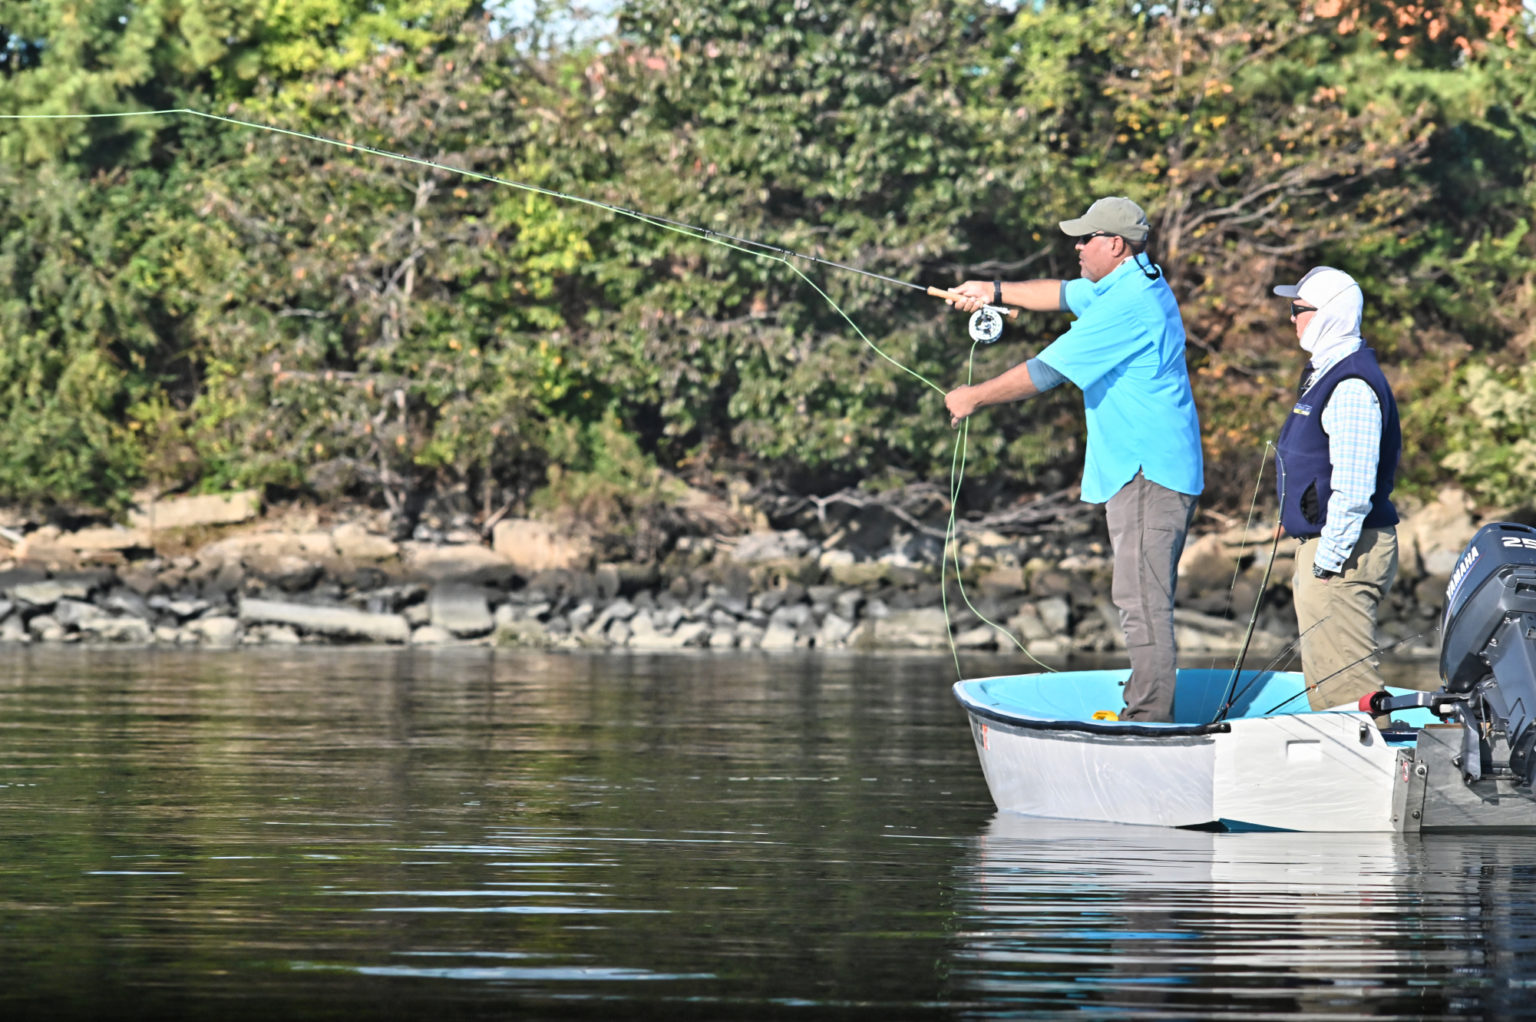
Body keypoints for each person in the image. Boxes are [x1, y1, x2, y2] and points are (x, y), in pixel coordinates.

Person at [944, 196, 1203, 722]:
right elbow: (1061, 294)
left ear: (1114, 244)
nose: (1077, 247)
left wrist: (972, 397)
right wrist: (991, 290)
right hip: (1148, 467)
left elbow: (1046, 371)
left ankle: (1148, 719)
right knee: (1139, 597)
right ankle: (1148, 705)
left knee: (1141, 602)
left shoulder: (1129, 306)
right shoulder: (1133, 280)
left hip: (1147, 472)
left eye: (1085, 239)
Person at [1271, 267, 1401, 722]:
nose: (1292, 320)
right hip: (1331, 548)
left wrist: (1328, 558)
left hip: (1345, 552)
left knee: (1349, 689)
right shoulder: (1326, 372)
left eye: (1298, 310)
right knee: (1330, 687)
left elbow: (1353, 486)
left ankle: (1381, 776)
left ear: (1327, 315)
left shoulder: (1349, 386)